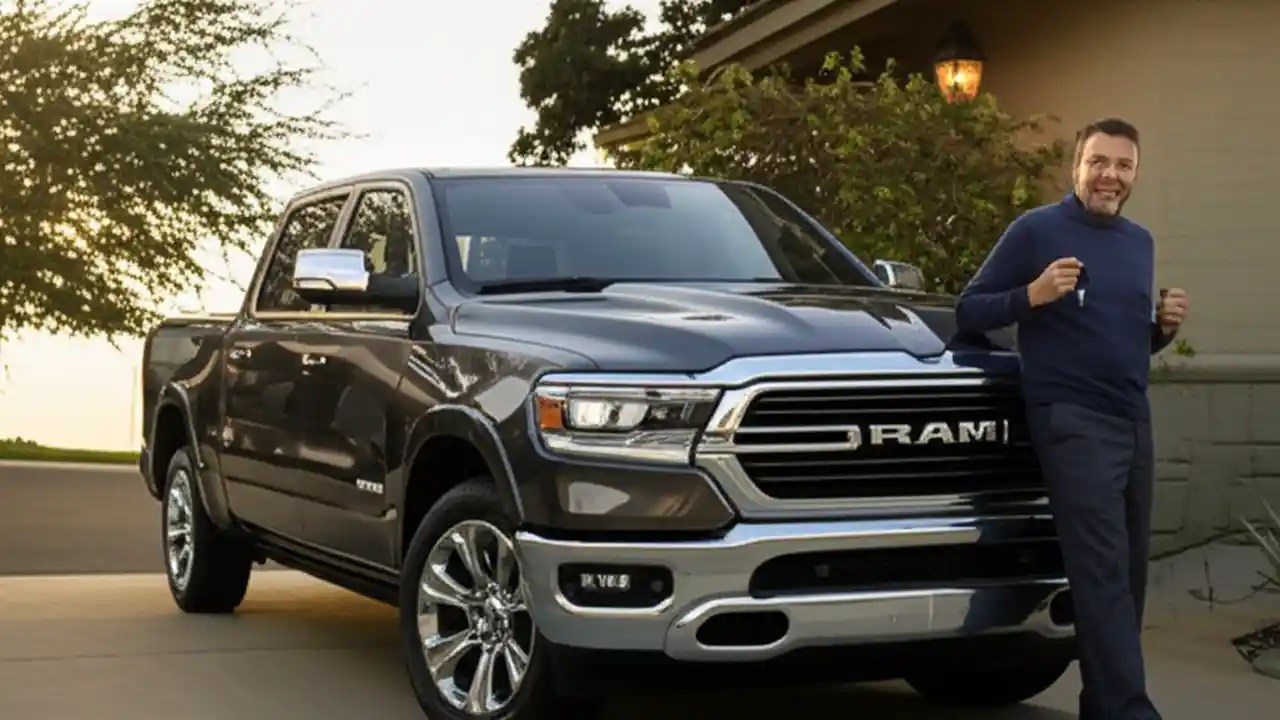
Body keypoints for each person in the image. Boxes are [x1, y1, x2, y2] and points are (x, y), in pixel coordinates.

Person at [954, 117, 1189, 720]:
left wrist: (1159, 332)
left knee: (1130, 576)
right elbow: (970, 308)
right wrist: (1030, 296)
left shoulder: (1140, 243)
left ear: (1135, 174)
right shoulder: (1036, 231)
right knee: (1102, 573)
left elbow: (1128, 345)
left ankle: (1104, 706)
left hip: (1133, 421)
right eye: (1100, 163)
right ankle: (1128, 710)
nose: (1111, 175)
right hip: (1072, 419)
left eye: (1124, 166)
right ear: (1076, 167)